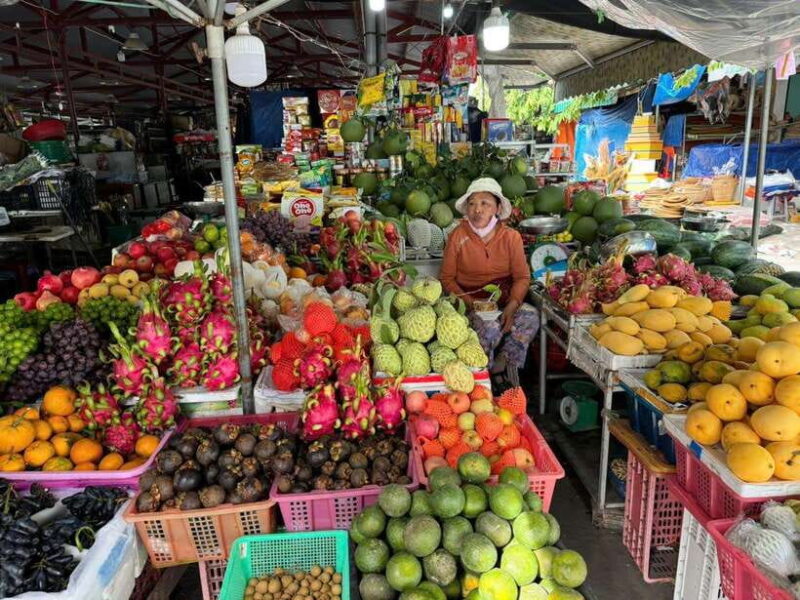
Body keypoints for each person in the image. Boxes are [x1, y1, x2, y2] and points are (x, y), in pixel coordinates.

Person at [440, 178, 538, 376]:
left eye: (485, 203)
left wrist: (512, 306)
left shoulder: (511, 237)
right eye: (472, 203)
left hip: (503, 301)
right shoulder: (458, 236)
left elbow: (522, 277)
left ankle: (503, 364)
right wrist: (471, 303)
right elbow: (446, 279)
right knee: (490, 326)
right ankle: (482, 375)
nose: (478, 209)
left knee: (531, 316)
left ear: (497, 208)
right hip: (471, 304)